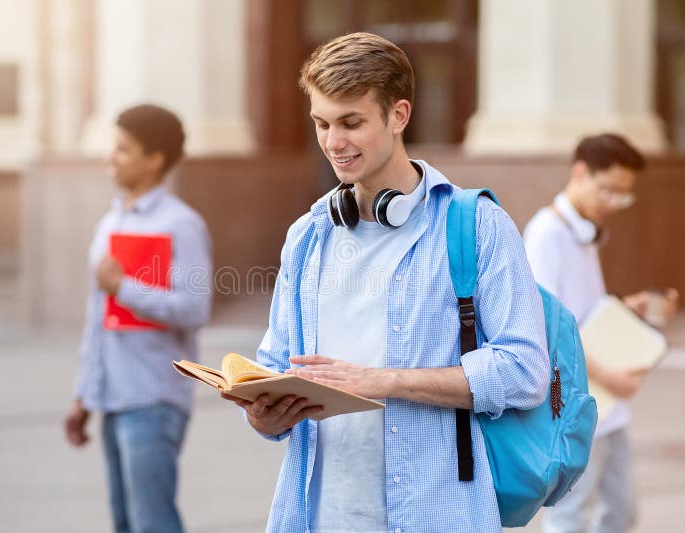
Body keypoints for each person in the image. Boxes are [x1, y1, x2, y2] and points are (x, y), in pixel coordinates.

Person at [221, 32, 549, 532]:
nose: (334, 142)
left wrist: (383, 381)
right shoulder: (307, 236)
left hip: (437, 514)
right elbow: (276, 365)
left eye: (351, 122)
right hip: (318, 516)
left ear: (398, 116)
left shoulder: (476, 226)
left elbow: (524, 370)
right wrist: (264, 415)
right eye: (322, 123)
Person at [64, 104, 212, 533]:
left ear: (154, 159)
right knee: (126, 523)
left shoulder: (181, 224)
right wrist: (82, 394)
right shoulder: (110, 222)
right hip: (111, 397)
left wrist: (123, 288)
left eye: (123, 149)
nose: (111, 157)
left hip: (153, 397)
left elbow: (193, 308)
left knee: (153, 524)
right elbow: (97, 321)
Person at [523, 133, 679, 533]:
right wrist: (607, 375)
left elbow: (581, 311)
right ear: (580, 173)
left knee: (620, 512)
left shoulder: (584, 232)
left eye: (624, 196)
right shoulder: (546, 234)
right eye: (609, 190)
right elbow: (546, 328)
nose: (614, 203)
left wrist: (628, 306)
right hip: (576, 403)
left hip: (607, 406)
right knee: (570, 516)